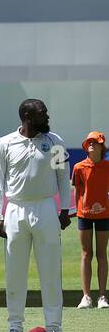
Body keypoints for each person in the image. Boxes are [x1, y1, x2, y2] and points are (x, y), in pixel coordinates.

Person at [0, 99, 71, 332]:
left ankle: (54, 328)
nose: (47, 117)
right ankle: (14, 329)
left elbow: (62, 176)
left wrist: (64, 209)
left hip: (46, 207)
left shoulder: (54, 142)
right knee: (15, 273)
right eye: (42, 113)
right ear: (27, 116)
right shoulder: (4, 143)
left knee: (50, 272)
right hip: (15, 209)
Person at [73, 129, 109, 308]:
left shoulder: (108, 167)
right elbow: (77, 191)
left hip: (105, 215)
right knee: (87, 253)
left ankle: (102, 296)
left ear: (102, 146)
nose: (91, 144)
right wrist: (77, 211)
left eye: (95, 142)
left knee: (102, 254)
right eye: (89, 142)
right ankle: (86, 297)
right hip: (84, 215)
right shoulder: (79, 167)